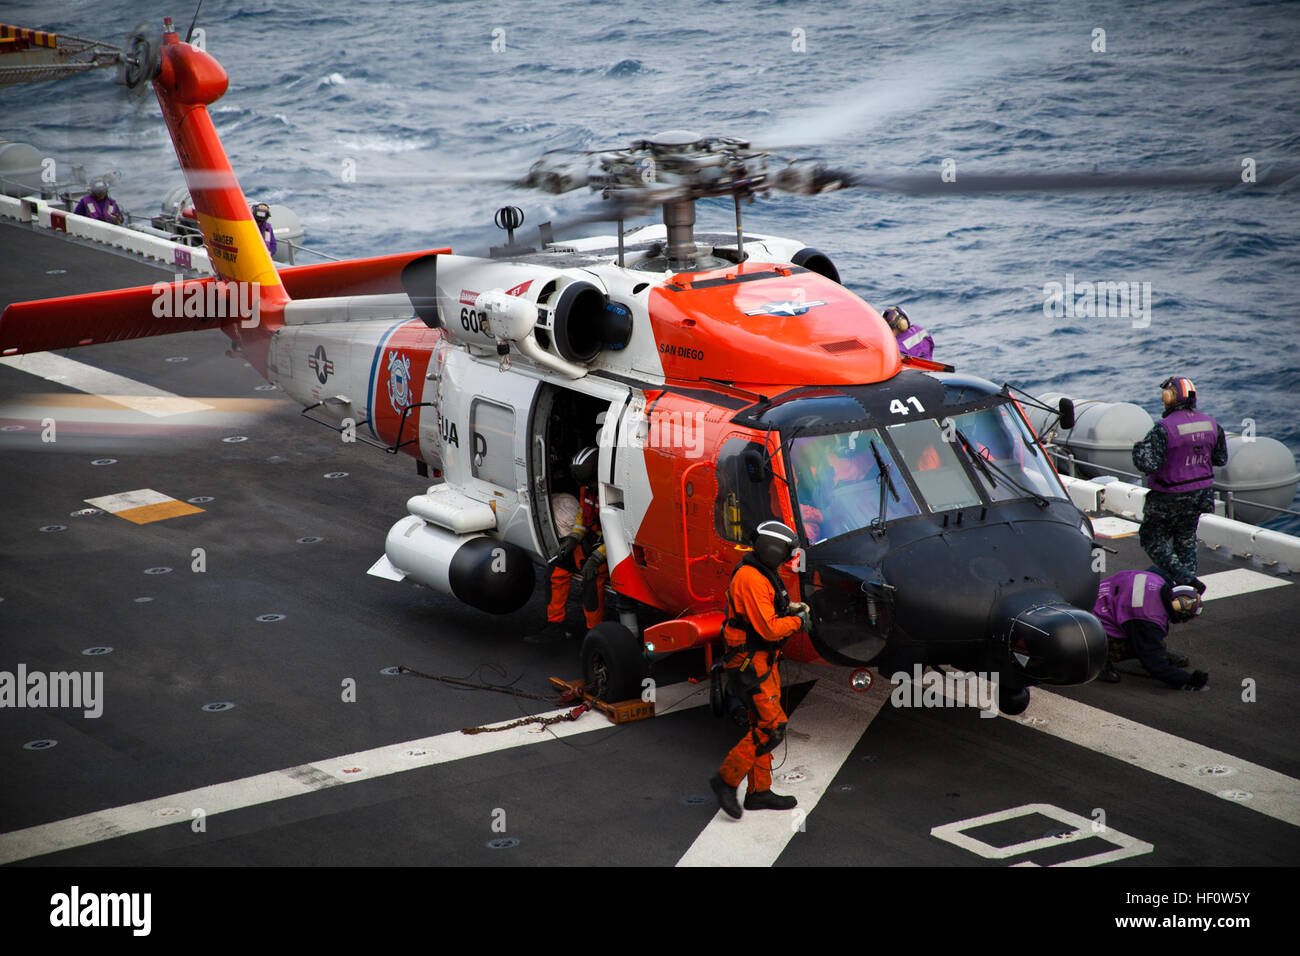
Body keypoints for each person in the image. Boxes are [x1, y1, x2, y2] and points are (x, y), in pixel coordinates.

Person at [709, 521, 812, 818]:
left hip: (761, 660)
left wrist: (790, 607)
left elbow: (767, 607)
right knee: (771, 728)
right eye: (786, 553)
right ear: (774, 551)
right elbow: (768, 629)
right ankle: (726, 780)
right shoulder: (752, 578)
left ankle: (759, 791)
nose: (788, 559)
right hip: (751, 662)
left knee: (761, 723)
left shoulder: (761, 573)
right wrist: (798, 622)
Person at [1132, 376, 1227, 590]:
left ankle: (1186, 579)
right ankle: (1189, 596)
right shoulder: (1212, 424)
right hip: (1200, 495)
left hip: (1168, 496)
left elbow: (1148, 464)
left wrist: (1138, 449)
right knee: (1185, 541)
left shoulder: (1163, 428)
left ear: (1169, 397)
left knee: (1152, 539)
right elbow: (1220, 459)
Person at [528, 447, 607, 643]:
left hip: (611, 551)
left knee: (591, 579)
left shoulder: (614, 494)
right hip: (590, 543)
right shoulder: (587, 488)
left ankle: (594, 635)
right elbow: (582, 515)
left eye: (590, 481)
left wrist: (597, 558)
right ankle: (555, 626)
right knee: (556, 566)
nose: (588, 485)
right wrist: (573, 538)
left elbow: (621, 534)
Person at [1093, 569, 1208, 689]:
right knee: (1143, 645)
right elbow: (1155, 665)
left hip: (1096, 599)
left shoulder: (1158, 578)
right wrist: (1188, 679)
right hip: (1092, 632)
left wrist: (1190, 579)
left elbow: (1155, 568)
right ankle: (1097, 661)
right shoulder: (1150, 619)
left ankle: (1159, 652)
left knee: (1149, 639)